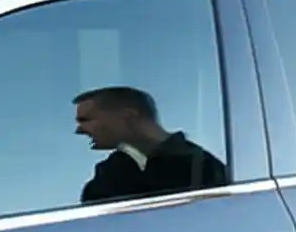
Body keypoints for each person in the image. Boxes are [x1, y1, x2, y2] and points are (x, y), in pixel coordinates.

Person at [73, 86, 228, 203]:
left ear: (129, 116)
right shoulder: (112, 170)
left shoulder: (205, 169)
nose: (79, 130)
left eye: (86, 120)